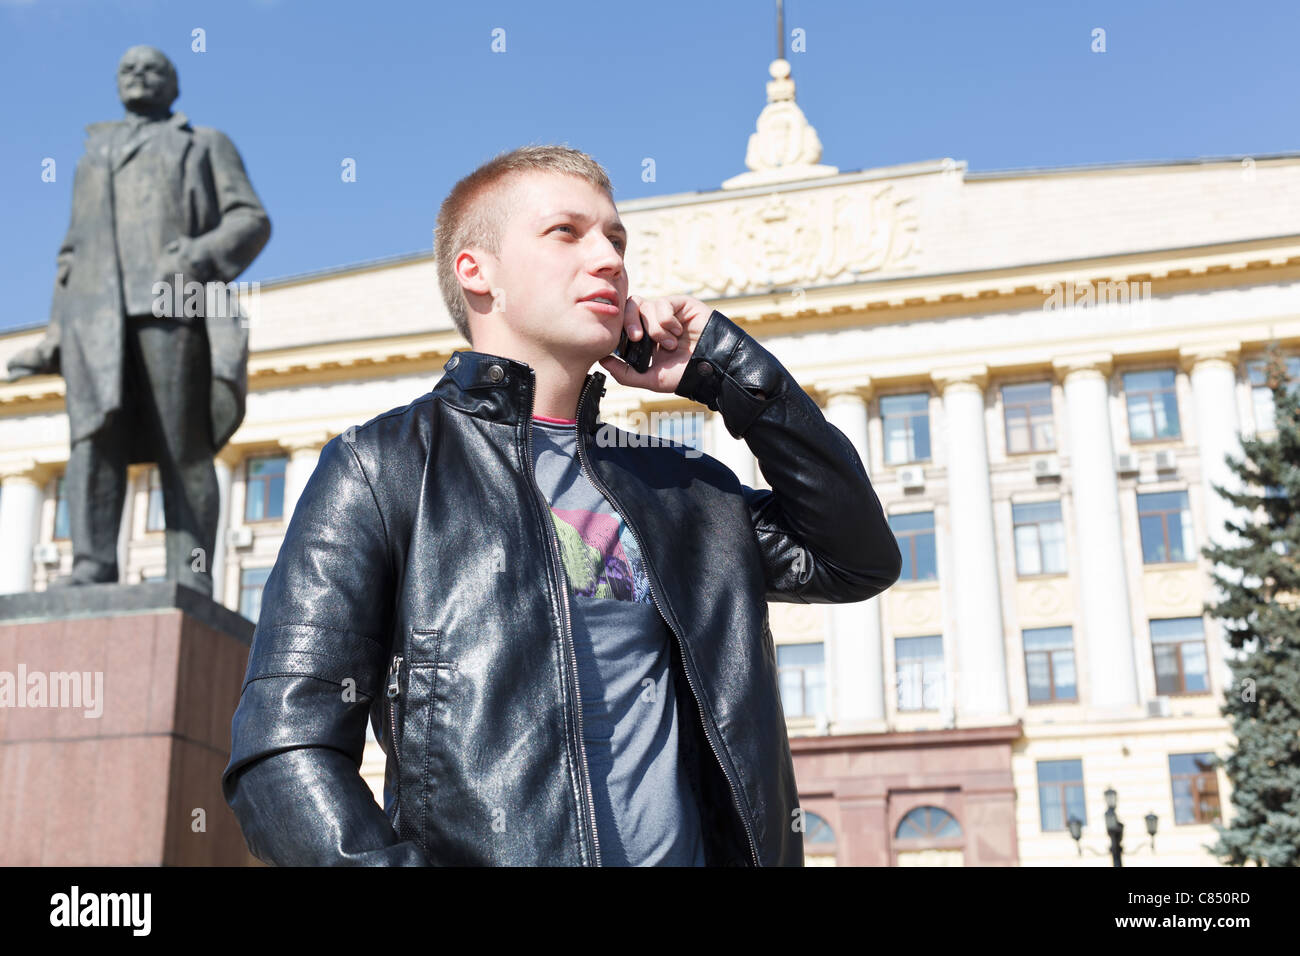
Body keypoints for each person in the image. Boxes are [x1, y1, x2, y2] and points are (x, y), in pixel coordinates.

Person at [221, 144, 900, 866]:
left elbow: (853, 557)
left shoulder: (682, 489)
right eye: (566, 233)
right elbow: (283, 747)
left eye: (616, 239)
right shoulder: (384, 469)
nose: (608, 258)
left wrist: (731, 376)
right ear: (477, 273)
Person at [7, 45, 270, 592]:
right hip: (94, 316)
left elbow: (250, 219)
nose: (138, 75)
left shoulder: (203, 144)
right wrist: (55, 332)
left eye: (153, 68)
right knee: (91, 440)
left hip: (172, 306)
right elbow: (71, 253)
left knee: (183, 442)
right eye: (127, 68)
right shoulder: (92, 154)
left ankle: (190, 576)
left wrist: (197, 255)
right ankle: (92, 565)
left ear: (174, 86)